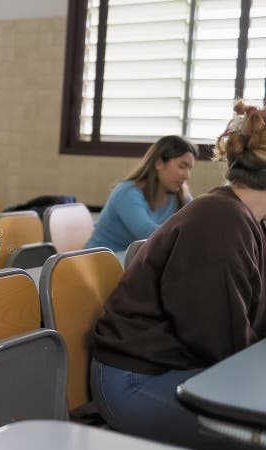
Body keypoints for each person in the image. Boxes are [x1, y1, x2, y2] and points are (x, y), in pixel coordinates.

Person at [90, 100, 266, 449]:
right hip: (137, 379)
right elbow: (219, 338)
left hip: (186, 366)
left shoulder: (248, 219)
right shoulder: (219, 221)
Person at [85, 135, 197, 251]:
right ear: (159, 163)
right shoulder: (127, 193)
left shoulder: (180, 196)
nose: (187, 176)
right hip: (99, 262)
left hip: (134, 261)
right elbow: (148, 234)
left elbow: (198, 223)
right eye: (182, 166)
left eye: (189, 169)